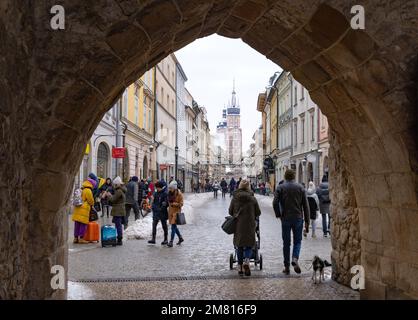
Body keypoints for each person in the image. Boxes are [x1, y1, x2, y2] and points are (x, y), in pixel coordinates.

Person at [273, 169, 310, 275]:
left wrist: (278, 214)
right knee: (297, 241)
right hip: (298, 217)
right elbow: (306, 206)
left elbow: (275, 202)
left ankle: (287, 266)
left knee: (286, 243)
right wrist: (307, 221)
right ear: (294, 176)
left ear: (285, 176)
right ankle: (295, 258)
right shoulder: (300, 187)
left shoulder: (280, 187)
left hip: (285, 218)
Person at [229, 179, 261, 276]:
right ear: (248, 187)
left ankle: (239, 267)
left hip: (238, 225)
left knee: (239, 246)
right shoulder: (252, 198)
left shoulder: (235, 198)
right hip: (250, 225)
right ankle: (247, 261)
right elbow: (258, 212)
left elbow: (230, 211)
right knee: (249, 244)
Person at [72, 178, 96, 244]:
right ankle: (81, 238)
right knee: (83, 224)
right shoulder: (88, 190)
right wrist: (93, 203)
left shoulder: (82, 189)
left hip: (78, 208)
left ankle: (75, 238)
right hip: (84, 209)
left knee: (77, 224)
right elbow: (91, 201)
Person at [106, 176, 126, 246]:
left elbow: (113, 200)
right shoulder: (121, 190)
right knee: (118, 225)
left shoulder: (119, 191)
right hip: (120, 209)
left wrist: (109, 195)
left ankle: (119, 239)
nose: (114, 186)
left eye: (114, 184)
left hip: (118, 210)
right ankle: (119, 238)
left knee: (118, 225)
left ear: (117, 184)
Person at [148, 181, 169, 245]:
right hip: (156, 212)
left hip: (162, 212)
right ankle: (153, 239)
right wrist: (153, 207)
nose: (157, 189)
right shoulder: (156, 193)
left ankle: (166, 239)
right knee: (154, 225)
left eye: (158, 188)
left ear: (161, 187)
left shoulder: (165, 194)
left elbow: (166, 203)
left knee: (164, 226)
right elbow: (153, 202)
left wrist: (161, 208)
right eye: (156, 188)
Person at [167, 180, 184, 247]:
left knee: (173, 226)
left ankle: (171, 241)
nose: (170, 189)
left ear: (174, 188)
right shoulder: (169, 193)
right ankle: (180, 238)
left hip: (176, 212)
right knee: (174, 227)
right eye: (169, 188)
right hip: (171, 211)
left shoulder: (179, 194)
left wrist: (175, 204)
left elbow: (181, 204)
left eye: (171, 188)